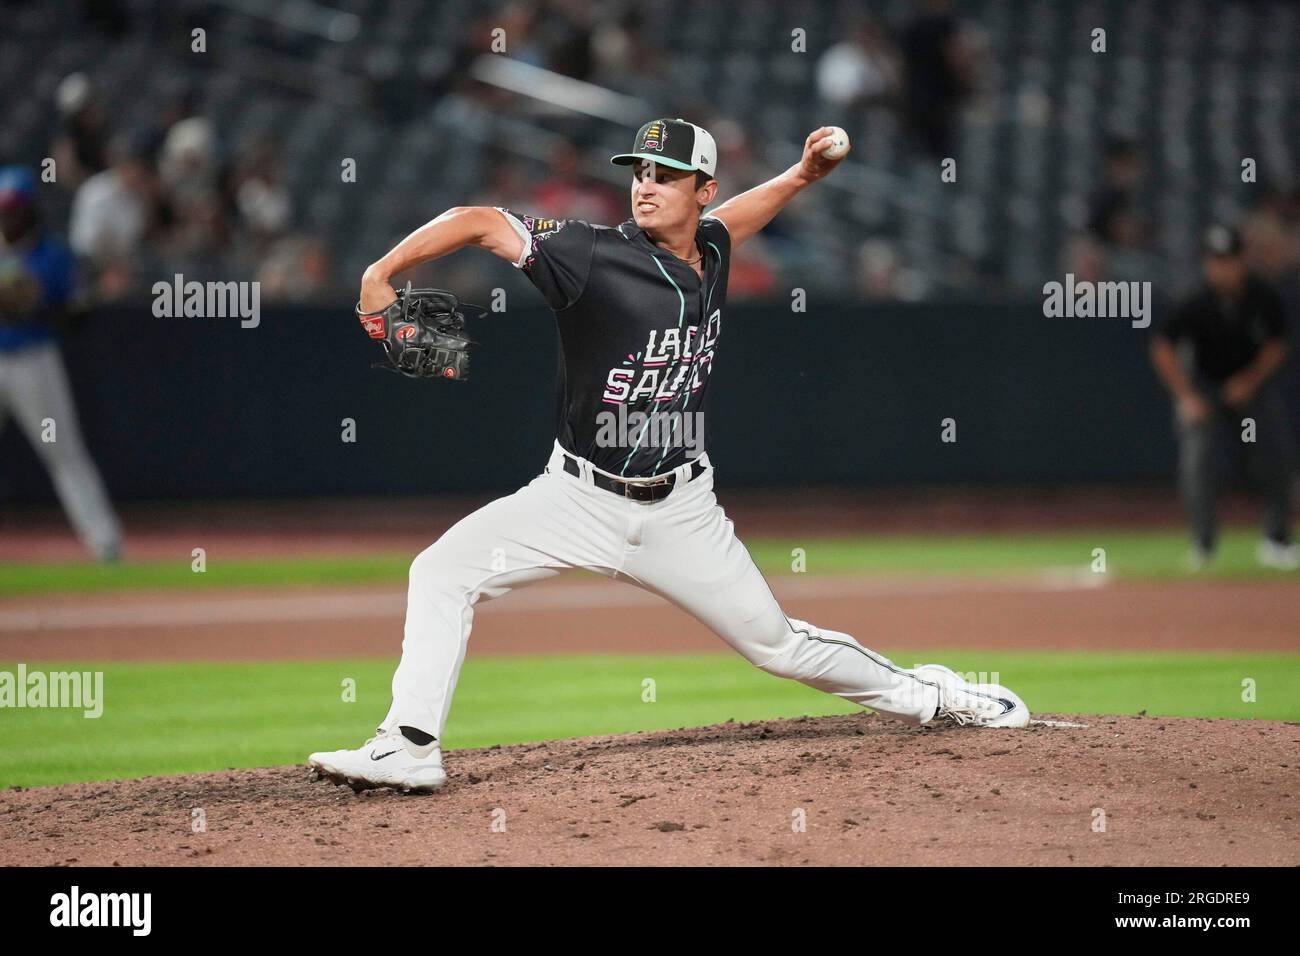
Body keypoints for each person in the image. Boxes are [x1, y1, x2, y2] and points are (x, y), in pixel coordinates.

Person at [308, 119, 1030, 794]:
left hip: (683, 509)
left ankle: (937, 697)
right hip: (574, 499)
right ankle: (408, 745)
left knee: (778, 647)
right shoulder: (590, 254)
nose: (646, 185)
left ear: (701, 191)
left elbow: (735, 222)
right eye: (640, 171)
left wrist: (803, 175)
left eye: (668, 174)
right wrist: (383, 270)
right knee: (442, 570)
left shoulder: (711, 249)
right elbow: (479, 222)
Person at [1151, 224, 1297, 570]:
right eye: (1216, 261)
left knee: (1277, 458)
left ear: (1242, 260)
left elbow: (1278, 344)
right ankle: (1203, 545)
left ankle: (1276, 540)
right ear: (1206, 263)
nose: (1222, 268)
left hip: (1251, 392)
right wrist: (1186, 396)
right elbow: (1162, 347)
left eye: (1229, 260)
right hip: (1206, 390)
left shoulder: (1262, 295)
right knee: (1198, 462)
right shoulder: (1194, 299)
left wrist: (1249, 381)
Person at [0, 166, 122, 561]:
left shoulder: (51, 256)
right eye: (3, 209)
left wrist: (36, 307)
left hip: (34, 364)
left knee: (62, 450)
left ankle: (104, 543)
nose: (8, 216)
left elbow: (75, 316)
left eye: (14, 209)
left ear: (30, 209)